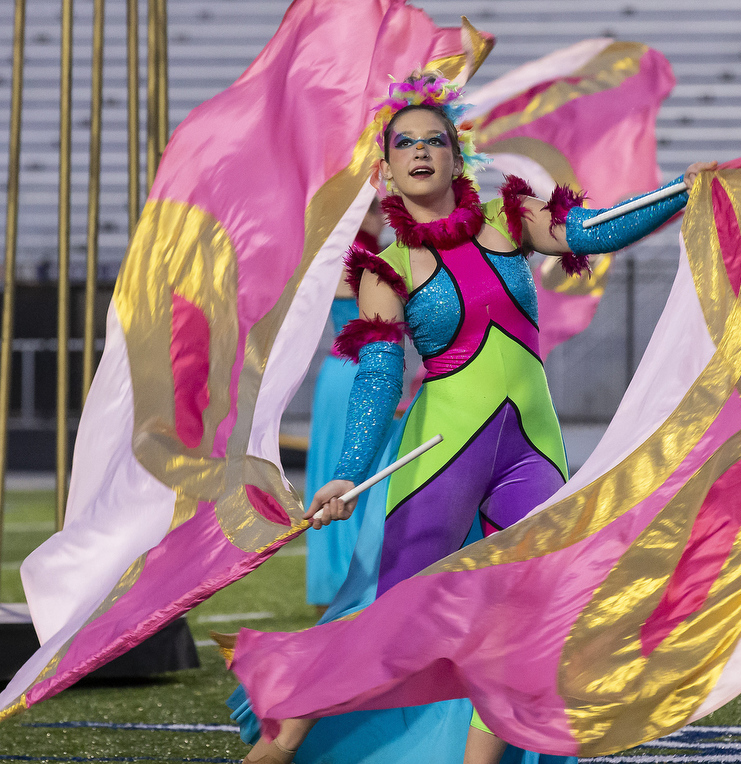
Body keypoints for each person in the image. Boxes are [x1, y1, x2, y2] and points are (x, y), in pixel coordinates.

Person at [229, 72, 716, 764]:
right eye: (406, 144)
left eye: (436, 140)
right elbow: (376, 379)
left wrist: (681, 193)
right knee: (391, 622)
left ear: (459, 158)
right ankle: (282, 743)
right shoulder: (385, 267)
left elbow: (593, 230)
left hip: (533, 451)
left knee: (532, 607)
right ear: (385, 169)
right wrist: (343, 475)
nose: (422, 152)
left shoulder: (509, 222)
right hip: (438, 454)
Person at [304, 202, 385, 616]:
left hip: (345, 376)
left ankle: (342, 581)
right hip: (358, 377)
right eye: (372, 210)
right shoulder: (361, 262)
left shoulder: (357, 258)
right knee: (352, 479)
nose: (379, 218)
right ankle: (350, 584)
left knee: (350, 476)